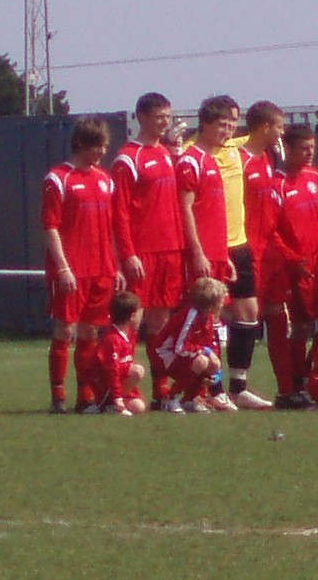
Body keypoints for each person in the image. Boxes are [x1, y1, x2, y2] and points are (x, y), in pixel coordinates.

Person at [111, 92, 185, 407]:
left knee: (161, 323)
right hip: (143, 251)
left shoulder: (167, 154)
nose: (165, 122)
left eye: (168, 116)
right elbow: (120, 211)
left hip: (170, 248)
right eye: (159, 117)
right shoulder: (129, 157)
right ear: (141, 117)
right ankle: (120, 387)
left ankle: (161, 390)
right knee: (133, 319)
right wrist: (128, 253)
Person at [42, 119, 119, 414]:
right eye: (96, 145)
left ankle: (85, 396)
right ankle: (58, 395)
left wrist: (115, 266)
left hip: (101, 269)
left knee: (91, 333)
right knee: (66, 331)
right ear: (80, 144)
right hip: (73, 270)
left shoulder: (104, 179)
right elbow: (50, 226)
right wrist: (63, 268)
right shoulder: (58, 178)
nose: (101, 151)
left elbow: (109, 227)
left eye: (104, 146)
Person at [219, 98, 282, 410]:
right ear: (266, 127)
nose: (281, 134)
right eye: (279, 127)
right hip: (235, 245)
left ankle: (237, 387)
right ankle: (210, 388)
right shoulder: (236, 158)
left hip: (256, 251)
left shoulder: (266, 158)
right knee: (219, 313)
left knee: (248, 315)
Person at [176, 97, 238, 411]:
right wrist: (198, 252)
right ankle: (189, 393)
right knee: (197, 324)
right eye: (222, 124)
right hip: (200, 256)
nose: (227, 130)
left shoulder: (213, 161)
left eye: (230, 124)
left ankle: (213, 390)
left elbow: (214, 214)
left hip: (216, 254)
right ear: (206, 125)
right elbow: (185, 208)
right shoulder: (190, 160)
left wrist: (223, 253)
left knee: (215, 326)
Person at [261, 124, 318, 409]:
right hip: (291, 268)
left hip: (317, 264)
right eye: (303, 148)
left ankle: (310, 378)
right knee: (296, 327)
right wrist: (292, 258)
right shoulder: (278, 183)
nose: (309, 153)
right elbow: (271, 230)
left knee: (317, 324)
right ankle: (293, 383)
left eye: (312, 147)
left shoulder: (315, 176)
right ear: (288, 148)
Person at [151, 277, 228, 413]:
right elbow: (180, 348)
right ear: (211, 302)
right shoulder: (190, 316)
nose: (223, 304)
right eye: (220, 300)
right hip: (164, 355)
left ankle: (190, 399)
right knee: (201, 361)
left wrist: (217, 372)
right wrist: (206, 352)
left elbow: (210, 344)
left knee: (211, 362)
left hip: (182, 355)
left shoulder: (208, 317)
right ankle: (171, 397)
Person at [88, 290, 147, 415]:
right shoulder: (112, 339)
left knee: (139, 407)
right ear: (131, 316)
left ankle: (110, 406)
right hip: (106, 384)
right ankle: (109, 404)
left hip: (118, 383)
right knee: (138, 370)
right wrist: (117, 398)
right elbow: (112, 371)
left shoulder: (129, 334)